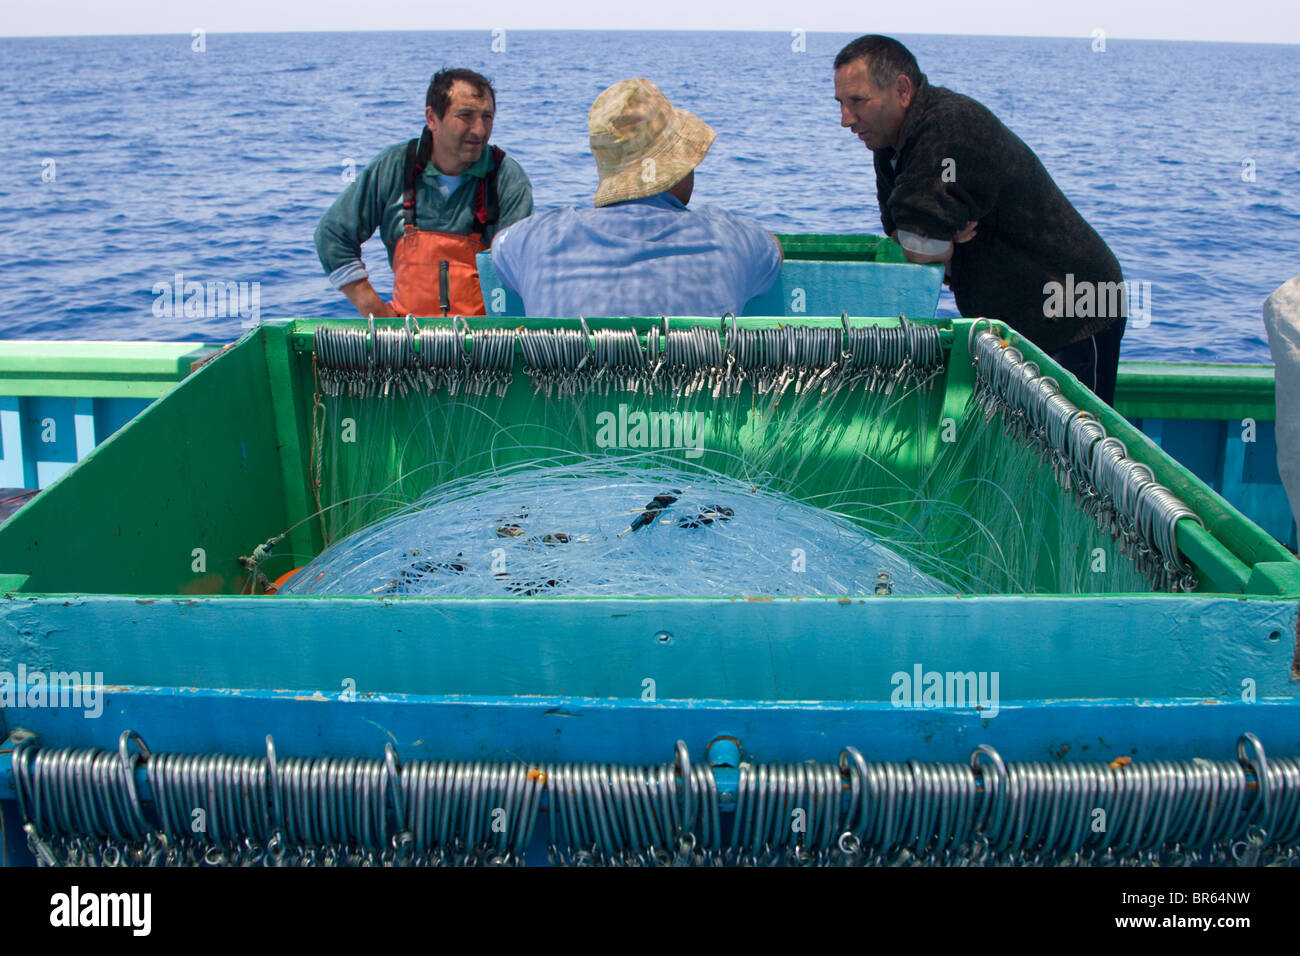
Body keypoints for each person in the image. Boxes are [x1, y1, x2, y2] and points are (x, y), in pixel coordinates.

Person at [833, 35, 1127, 405]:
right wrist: (941, 239)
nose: (846, 120)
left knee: (1075, 452)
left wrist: (937, 240)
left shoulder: (949, 127)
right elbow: (902, 231)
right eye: (841, 104)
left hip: (1075, 310)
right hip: (1012, 320)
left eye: (858, 101)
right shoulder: (890, 146)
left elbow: (922, 243)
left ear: (902, 90)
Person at [491, 78, 782, 318]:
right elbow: (774, 249)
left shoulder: (536, 238)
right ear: (676, 166)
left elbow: (498, 244)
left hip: (568, 389)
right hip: (694, 389)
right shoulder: (728, 237)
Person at [315, 68, 533, 318]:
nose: (480, 130)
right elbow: (332, 235)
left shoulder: (507, 178)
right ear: (432, 118)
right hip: (406, 343)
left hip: (484, 343)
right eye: (466, 116)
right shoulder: (394, 166)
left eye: (487, 117)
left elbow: (517, 272)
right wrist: (374, 310)